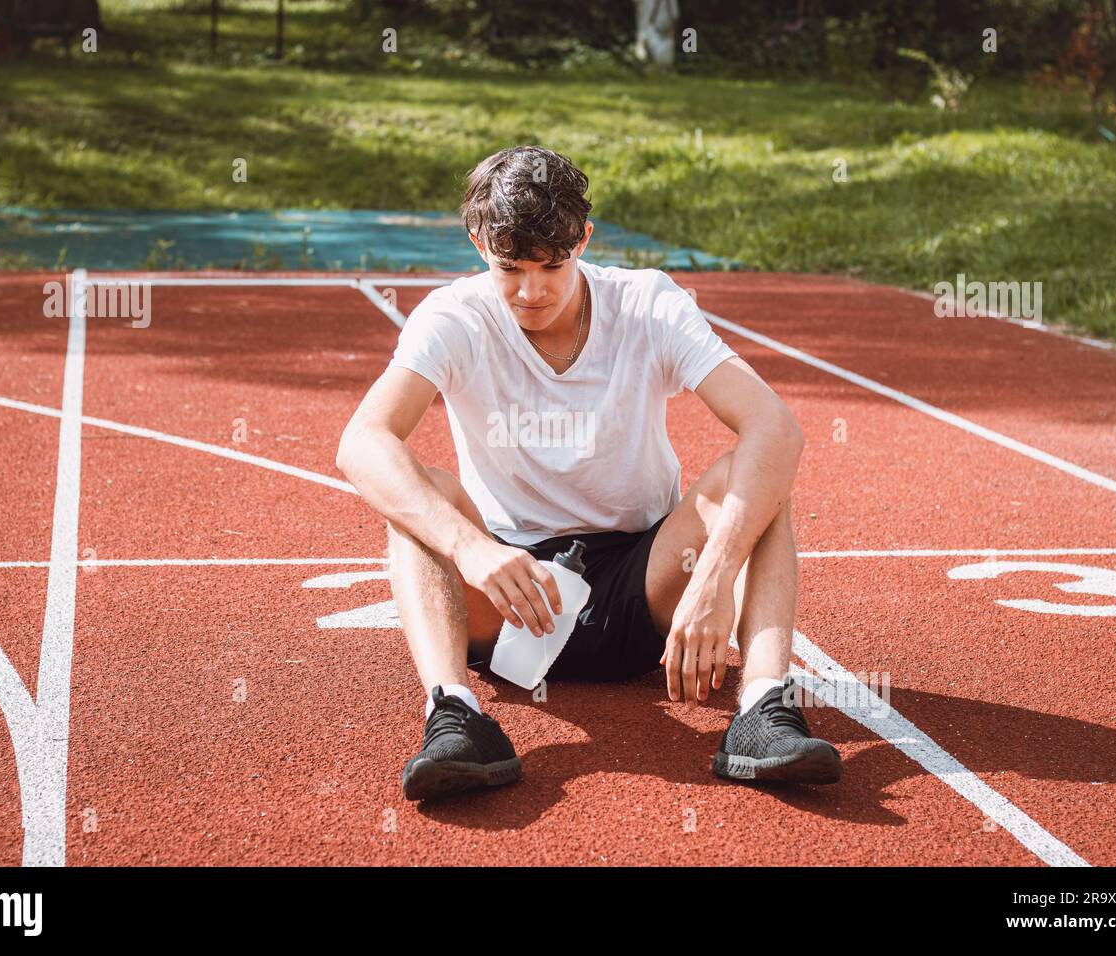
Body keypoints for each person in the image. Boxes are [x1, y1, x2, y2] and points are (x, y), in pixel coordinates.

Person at [335, 145, 842, 801]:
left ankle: (764, 710)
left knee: (760, 483)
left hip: (647, 579)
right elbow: (361, 441)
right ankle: (454, 715)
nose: (531, 291)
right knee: (417, 499)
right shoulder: (454, 316)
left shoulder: (647, 303)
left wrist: (715, 575)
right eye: (510, 268)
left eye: (553, 266)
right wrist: (472, 549)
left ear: (585, 241)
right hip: (512, 596)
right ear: (477, 243)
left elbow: (775, 427)